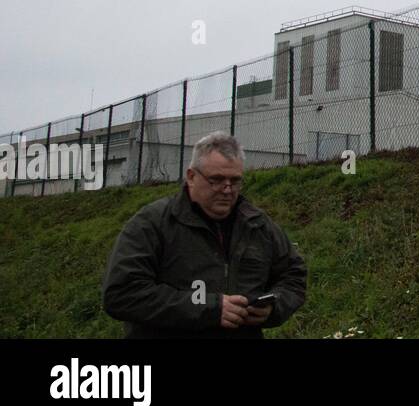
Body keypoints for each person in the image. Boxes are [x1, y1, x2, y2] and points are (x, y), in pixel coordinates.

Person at [102, 132, 307, 337]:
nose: (227, 190)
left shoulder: (259, 226)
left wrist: (273, 307)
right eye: (216, 180)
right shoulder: (152, 224)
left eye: (235, 181)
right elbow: (122, 293)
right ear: (191, 177)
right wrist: (209, 309)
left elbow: (293, 276)